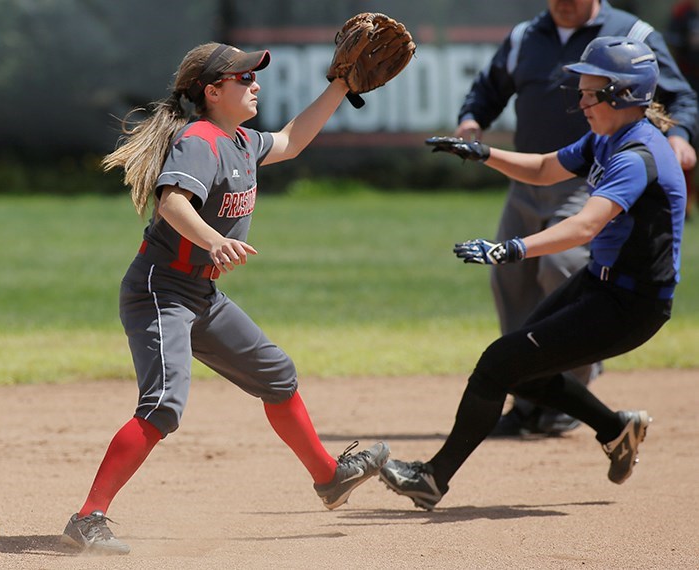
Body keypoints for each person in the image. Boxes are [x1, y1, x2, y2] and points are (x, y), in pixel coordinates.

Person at [60, 43, 390, 555]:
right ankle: (88, 517)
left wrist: (341, 86)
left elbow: (292, 140)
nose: (254, 84)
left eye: (254, 77)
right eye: (243, 78)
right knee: (163, 405)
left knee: (277, 376)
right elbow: (171, 201)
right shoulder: (200, 140)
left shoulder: (240, 141)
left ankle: (329, 477)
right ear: (213, 92)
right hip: (160, 291)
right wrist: (214, 240)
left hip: (199, 293)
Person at [379, 36, 685, 511]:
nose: (581, 101)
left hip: (631, 305)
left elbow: (585, 225)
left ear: (621, 95)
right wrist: (484, 154)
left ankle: (432, 478)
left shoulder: (636, 156)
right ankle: (614, 428)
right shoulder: (608, 137)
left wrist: (511, 249)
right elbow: (545, 168)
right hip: (599, 285)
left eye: (589, 92)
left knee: (499, 363)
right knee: (520, 373)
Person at [454, 0, 697, 437]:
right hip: (538, 177)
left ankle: (565, 391)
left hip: (592, 188)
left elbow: (677, 96)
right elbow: (494, 95)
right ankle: (529, 397)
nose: (580, 99)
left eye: (589, 91)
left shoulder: (634, 37)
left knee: (560, 266)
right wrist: (478, 140)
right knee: (511, 286)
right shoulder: (525, 35)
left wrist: (680, 135)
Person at [667, 0, 699, 217]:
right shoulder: (682, 11)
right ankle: (685, 202)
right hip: (689, 84)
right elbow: (672, 43)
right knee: (687, 145)